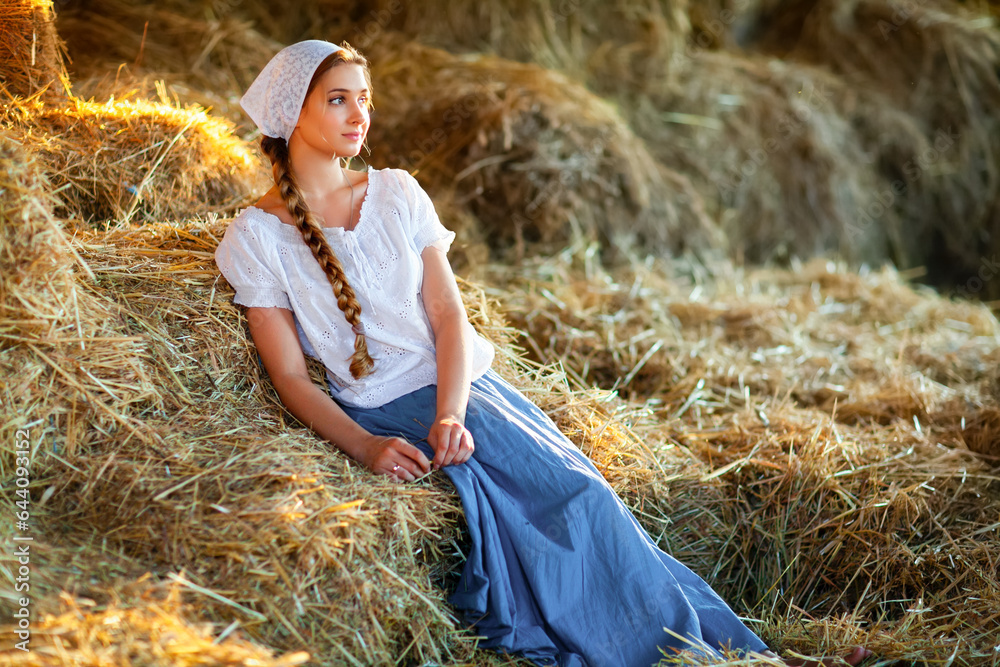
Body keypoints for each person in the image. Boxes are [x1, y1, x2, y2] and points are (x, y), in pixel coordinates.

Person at [214, 39, 870, 667]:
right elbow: (294, 377)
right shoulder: (258, 236)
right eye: (337, 99)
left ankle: (732, 652)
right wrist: (363, 446)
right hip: (380, 411)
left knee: (586, 494)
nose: (360, 114)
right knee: (562, 516)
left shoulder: (396, 193)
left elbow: (447, 314)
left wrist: (451, 412)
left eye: (365, 98)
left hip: (461, 386)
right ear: (290, 110)